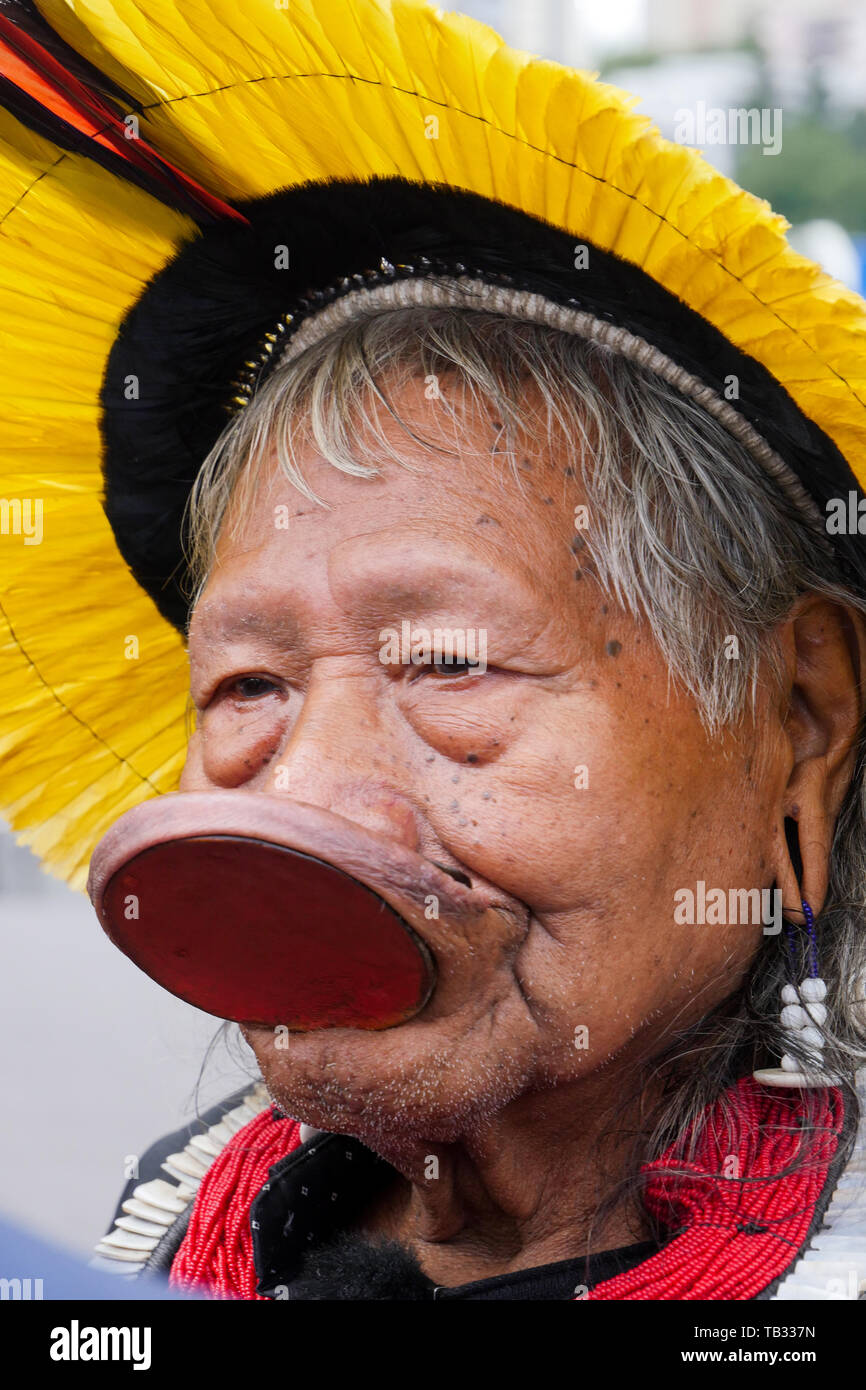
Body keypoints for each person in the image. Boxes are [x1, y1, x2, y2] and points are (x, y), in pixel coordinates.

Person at [1, 0, 865, 1300]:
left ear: (797, 713)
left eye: (449, 662)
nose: (298, 790)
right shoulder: (171, 1222)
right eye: (246, 686)